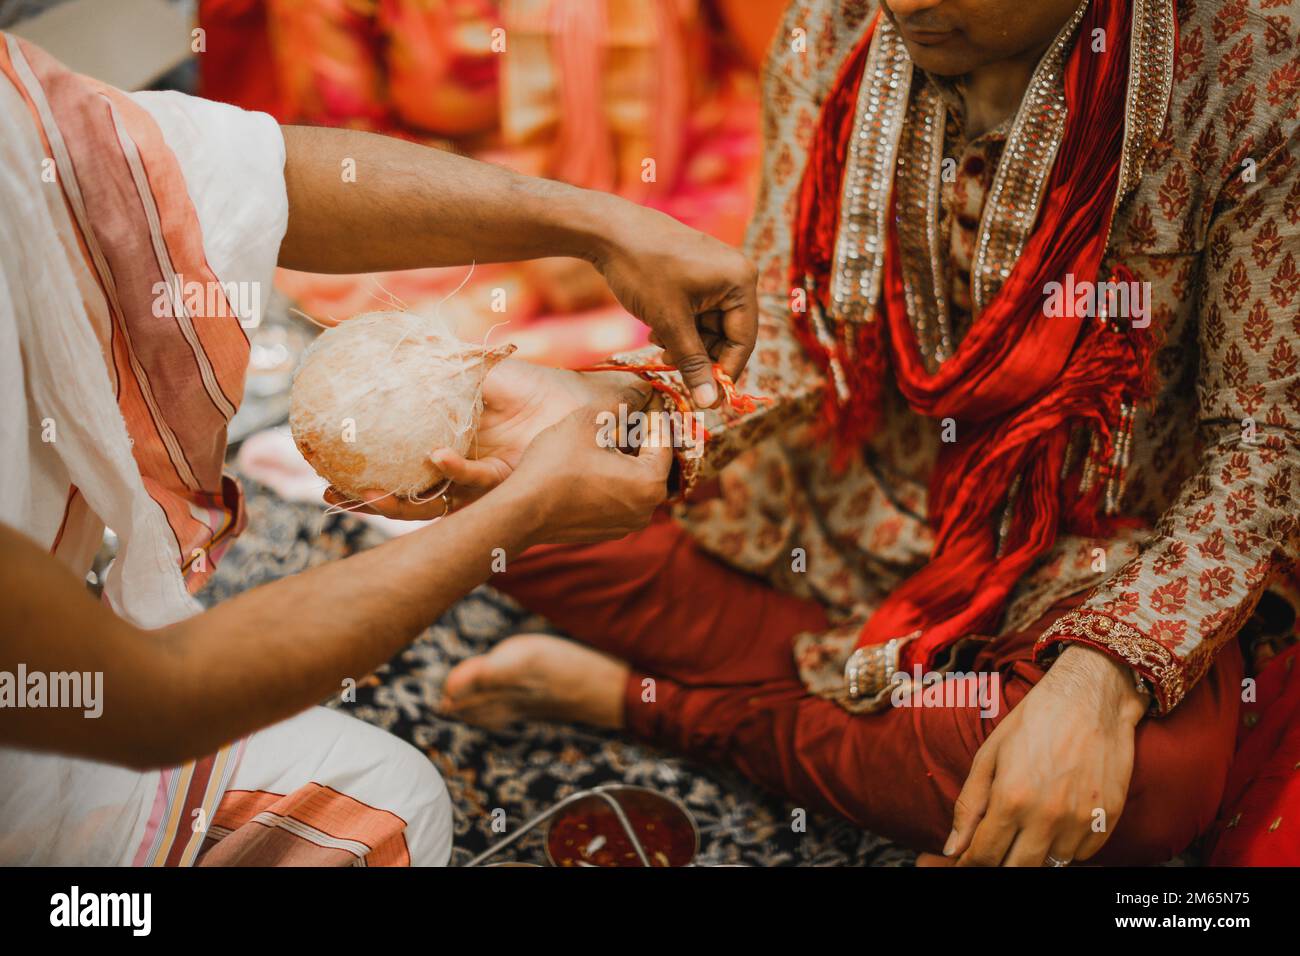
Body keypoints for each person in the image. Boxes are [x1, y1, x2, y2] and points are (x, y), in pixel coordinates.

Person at [437, 0, 1300, 866]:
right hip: (831, 505)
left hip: (1083, 562)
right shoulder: (834, 20)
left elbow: (1262, 442)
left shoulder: (1251, 63)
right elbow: (781, 328)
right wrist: (627, 423)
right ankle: (853, 716)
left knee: (1151, 787)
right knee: (503, 486)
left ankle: (654, 701)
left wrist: (1099, 684)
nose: (905, 4)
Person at [0, 31, 753, 865]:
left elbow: (241, 176)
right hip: (59, 731)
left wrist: (603, 227)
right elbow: (148, 700)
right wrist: (522, 510)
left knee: (388, 797)